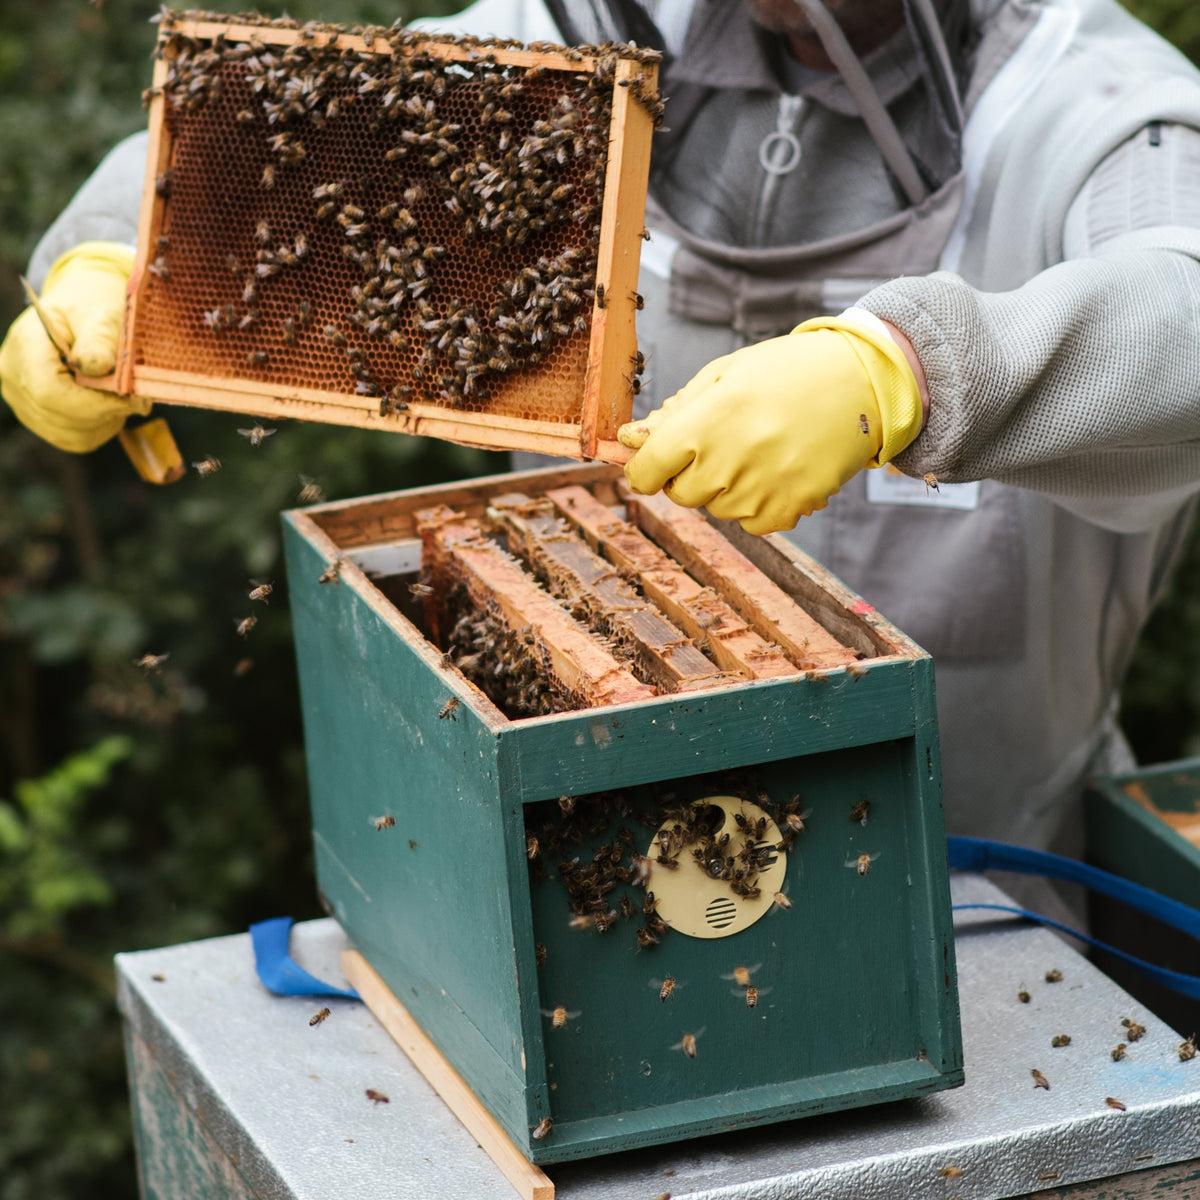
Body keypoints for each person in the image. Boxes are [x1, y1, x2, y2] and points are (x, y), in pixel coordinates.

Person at [5, 0, 1200, 870]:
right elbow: (263, 132)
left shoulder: (1095, 103)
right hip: (589, 859)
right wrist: (110, 259)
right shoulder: (582, 37)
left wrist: (906, 373)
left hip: (991, 892)